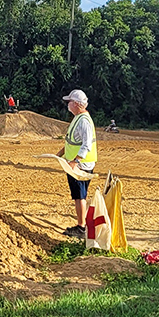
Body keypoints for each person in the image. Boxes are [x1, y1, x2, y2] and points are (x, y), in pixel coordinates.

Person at [56, 89, 97, 240]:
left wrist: (75, 162)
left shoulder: (84, 121)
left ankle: (81, 228)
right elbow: (72, 141)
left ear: (77, 104)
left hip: (81, 165)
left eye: (70, 102)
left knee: (80, 197)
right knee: (79, 196)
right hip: (76, 163)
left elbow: (86, 145)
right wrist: (61, 153)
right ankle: (81, 225)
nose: (68, 105)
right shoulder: (78, 118)